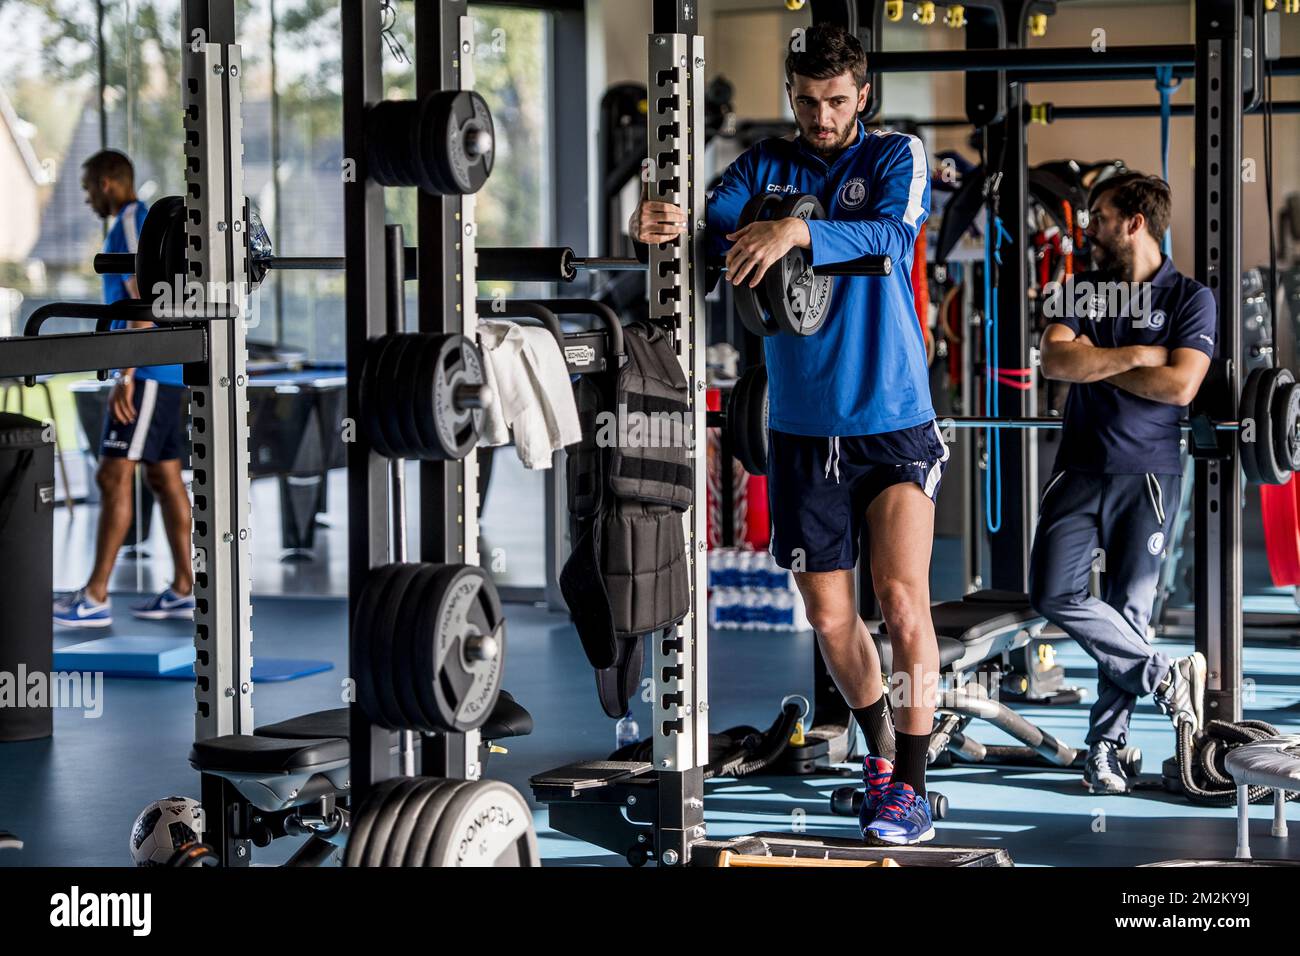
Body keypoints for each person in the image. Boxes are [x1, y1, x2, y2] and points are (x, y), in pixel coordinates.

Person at [631, 24, 942, 846]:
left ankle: (912, 784)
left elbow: (891, 235)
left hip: (892, 418)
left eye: (836, 101)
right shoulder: (765, 164)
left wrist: (797, 232)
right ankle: (880, 750)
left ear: (862, 95)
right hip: (802, 428)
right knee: (832, 621)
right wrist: (663, 224)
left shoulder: (893, 157)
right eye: (807, 101)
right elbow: (710, 225)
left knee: (903, 599)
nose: (821, 116)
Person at [1032, 172, 1215, 794]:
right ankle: (1163, 676)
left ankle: (1105, 748)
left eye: (1100, 217)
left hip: (1149, 475)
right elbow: (1056, 361)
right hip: (1078, 468)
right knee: (1050, 592)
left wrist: (1097, 364)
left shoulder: (1192, 299)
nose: (1090, 229)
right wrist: (1139, 356)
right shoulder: (1079, 290)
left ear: (1135, 222)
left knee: (1130, 610)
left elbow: (1181, 387)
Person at [53, 149, 195, 628]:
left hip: (149, 371)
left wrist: (126, 374)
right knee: (164, 477)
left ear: (110, 182)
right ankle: (184, 587)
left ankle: (94, 596)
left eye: (90, 186)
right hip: (164, 369)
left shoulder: (133, 220)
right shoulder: (130, 222)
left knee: (112, 476)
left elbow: (143, 299)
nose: (89, 196)